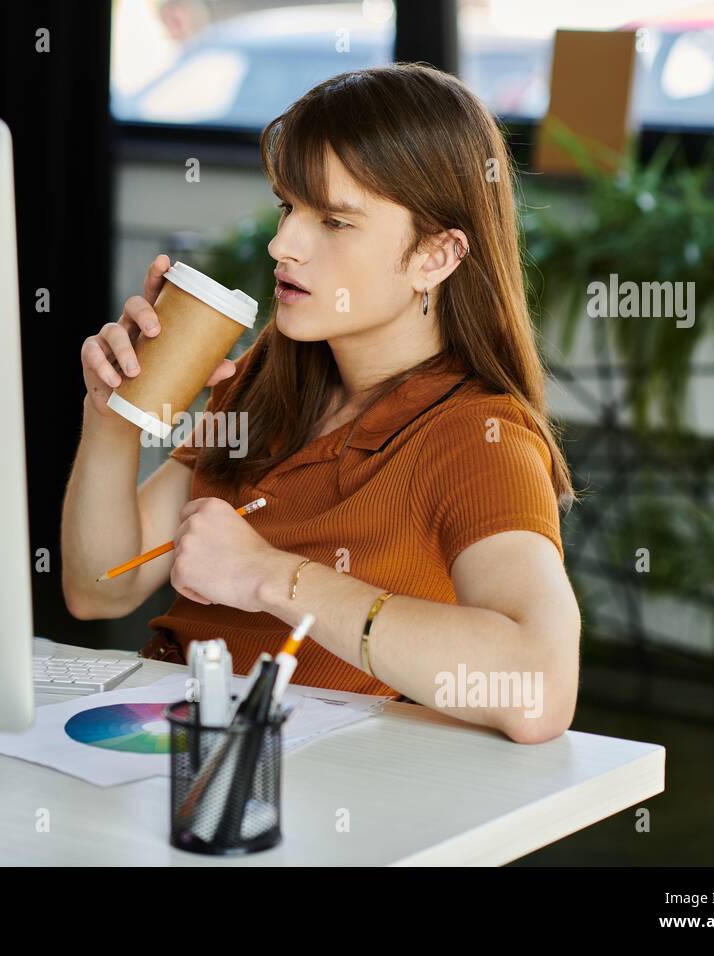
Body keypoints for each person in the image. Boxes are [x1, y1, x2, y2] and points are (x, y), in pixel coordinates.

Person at [62, 63, 580, 744]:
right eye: (288, 207)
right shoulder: (268, 375)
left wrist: (270, 577)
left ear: (437, 255)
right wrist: (110, 415)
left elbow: (536, 688)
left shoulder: (480, 435)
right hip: (164, 748)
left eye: (334, 220)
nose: (283, 246)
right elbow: (100, 589)